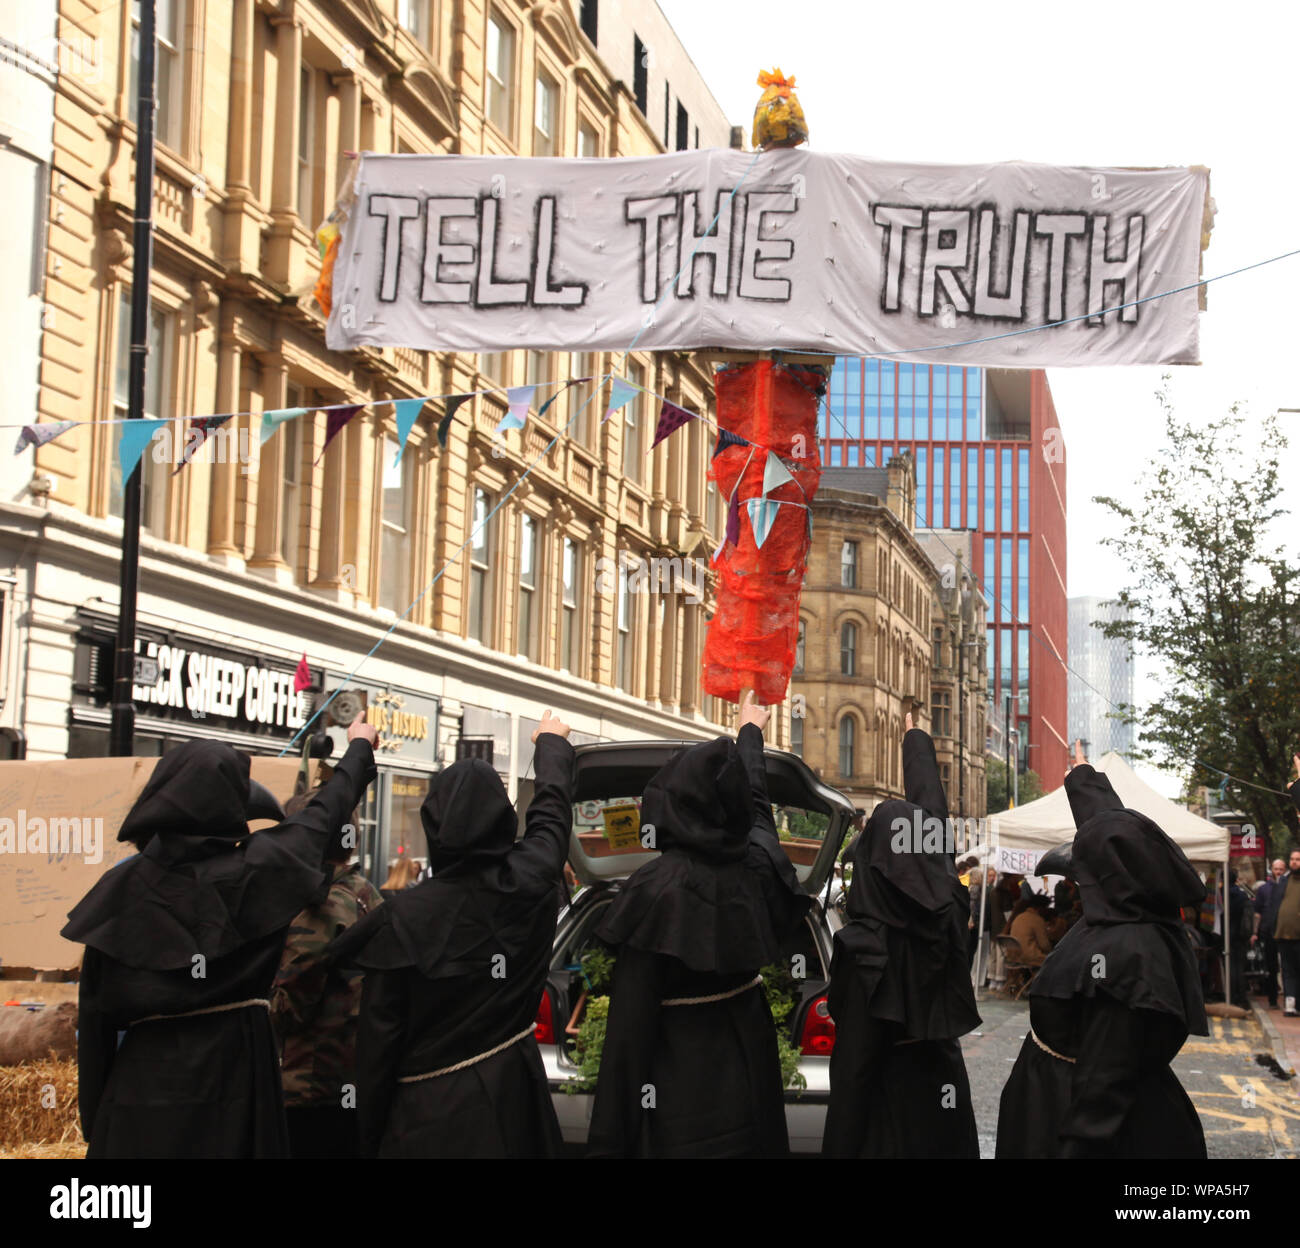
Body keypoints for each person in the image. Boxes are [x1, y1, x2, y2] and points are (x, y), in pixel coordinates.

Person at [63, 723, 379, 1158]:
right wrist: (359, 745)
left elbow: (95, 1026)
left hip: (141, 1101)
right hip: (236, 1083)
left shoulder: (115, 894)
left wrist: (97, 1124)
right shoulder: (257, 871)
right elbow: (328, 810)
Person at [330, 710, 576, 1157]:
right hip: (516, 1103)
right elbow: (551, 818)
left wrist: (368, 1138)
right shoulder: (531, 880)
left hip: (426, 1119)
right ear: (503, 819)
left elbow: (377, 1051)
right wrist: (550, 746)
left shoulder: (401, 919)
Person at [586, 693, 809, 1158]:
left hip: (680, 1093)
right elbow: (757, 807)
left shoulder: (653, 889)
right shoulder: (759, 864)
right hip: (751, 1072)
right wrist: (751, 734)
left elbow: (626, 1046)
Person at [996, 761, 1208, 1159]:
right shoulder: (1124, 918)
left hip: (1085, 1124)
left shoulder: (1130, 953)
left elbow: (1103, 1089)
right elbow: (1116, 838)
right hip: (1056, 1100)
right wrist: (1082, 781)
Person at [822, 715, 980, 1158]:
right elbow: (933, 829)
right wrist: (917, 745)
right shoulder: (949, 908)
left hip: (889, 1111)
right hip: (944, 1095)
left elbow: (853, 1073)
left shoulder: (862, 948)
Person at [271, 785, 384, 1159]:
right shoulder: (366, 893)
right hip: (357, 1082)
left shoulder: (320, 909)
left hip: (311, 1089)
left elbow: (287, 1009)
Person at [1261, 847, 1300, 1017]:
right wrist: (1270, 928)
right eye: (1292, 859)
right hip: (1282, 934)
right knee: (1288, 970)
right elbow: (1274, 906)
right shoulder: (1283, 882)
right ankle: (1290, 1004)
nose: (1294, 862)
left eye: (1298, 859)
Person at [1254, 857, 1288, 1008]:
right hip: (1268, 932)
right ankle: (1272, 999)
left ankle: (1290, 999)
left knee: (1288, 967)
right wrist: (1255, 932)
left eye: (1281, 869)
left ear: (1284, 870)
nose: (1278, 872)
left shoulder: (1288, 887)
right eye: (1276, 869)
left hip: (1286, 933)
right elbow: (1257, 913)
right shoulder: (1264, 889)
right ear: (1272, 870)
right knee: (1271, 967)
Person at [1007, 893, 1054, 967]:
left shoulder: (1019, 917)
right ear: (1040, 908)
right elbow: (1044, 945)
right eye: (1046, 908)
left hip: (1014, 956)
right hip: (1029, 957)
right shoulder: (1037, 919)